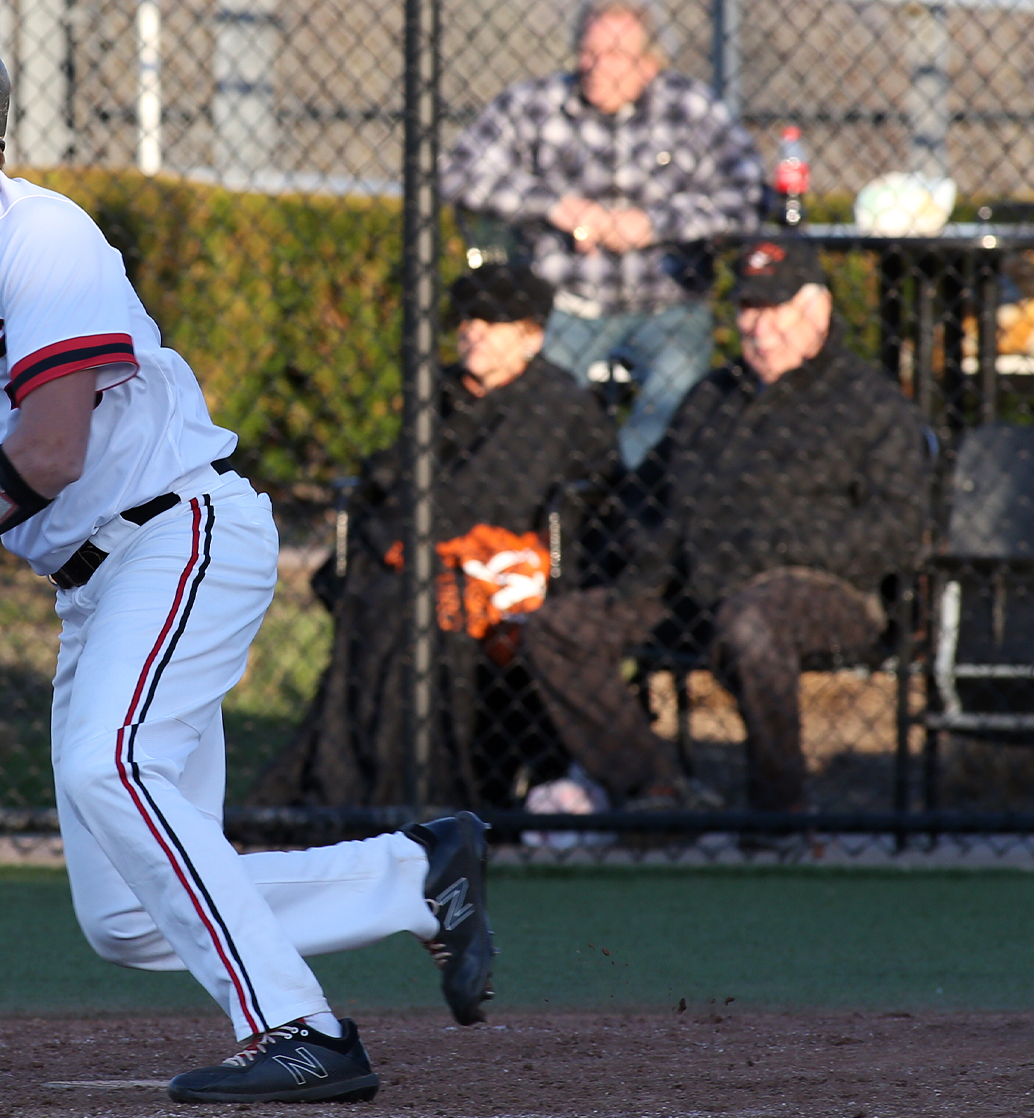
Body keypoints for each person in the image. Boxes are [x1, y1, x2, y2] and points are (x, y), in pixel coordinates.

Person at [0, 5, 492, 1104]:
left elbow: (52, 449)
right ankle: (412, 876)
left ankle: (301, 1029)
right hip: (93, 591)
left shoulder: (40, 234)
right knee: (124, 915)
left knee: (109, 765)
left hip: (179, 535)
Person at [521, 238, 929, 812]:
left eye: (775, 310)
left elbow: (899, 524)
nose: (760, 329)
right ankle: (657, 787)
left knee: (752, 621)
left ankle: (778, 814)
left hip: (823, 591)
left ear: (817, 311)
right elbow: (644, 496)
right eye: (748, 310)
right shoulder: (712, 397)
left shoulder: (869, 403)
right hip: (690, 582)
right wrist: (646, 548)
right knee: (557, 631)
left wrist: (778, 548)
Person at [253, 264, 619, 809]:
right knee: (374, 598)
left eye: (493, 323)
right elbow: (390, 474)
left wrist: (416, 532)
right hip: (417, 552)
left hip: (500, 561)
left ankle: (426, 788)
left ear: (531, 337)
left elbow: (505, 498)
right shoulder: (442, 391)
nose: (473, 332)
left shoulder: (555, 402)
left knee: (417, 602)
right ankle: (356, 786)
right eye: (467, 320)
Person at [440, 0, 763, 469]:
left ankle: (618, 497)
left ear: (650, 63)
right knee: (533, 398)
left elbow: (749, 196)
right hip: (565, 299)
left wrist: (652, 225)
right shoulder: (536, 105)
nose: (596, 66)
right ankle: (537, 504)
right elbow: (457, 173)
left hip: (666, 301)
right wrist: (556, 206)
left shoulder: (691, 110)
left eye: (615, 54)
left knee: (674, 391)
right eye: (588, 53)